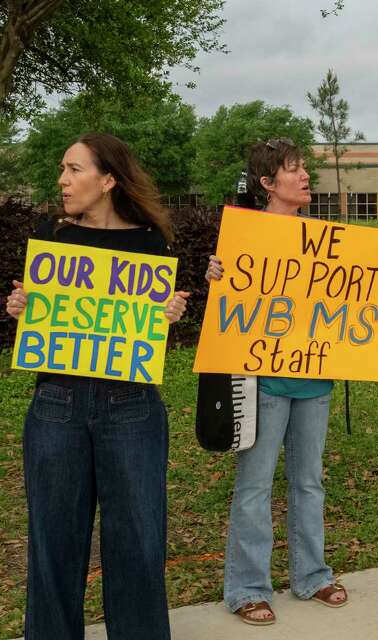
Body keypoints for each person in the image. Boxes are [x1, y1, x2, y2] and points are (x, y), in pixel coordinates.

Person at [206, 139, 378, 624]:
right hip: (264, 383)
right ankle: (247, 587)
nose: (305, 177)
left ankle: (312, 576)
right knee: (254, 486)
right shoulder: (246, 238)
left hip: (315, 381)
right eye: (294, 170)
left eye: (304, 169)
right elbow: (229, 300)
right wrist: (217, 274)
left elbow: (354, 295)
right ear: (267, 183)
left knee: (309, 482)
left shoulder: (327, 240)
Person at [5, 133, 189, 639]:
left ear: (107, 180)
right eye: (62, 170)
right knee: (54, 544)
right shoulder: (53, 238)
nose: (62, 180)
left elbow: (145, 326)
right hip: (55, 404)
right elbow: (41, 316)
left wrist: (167, 314)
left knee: (138, 542)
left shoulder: (151, 243)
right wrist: (20, 310)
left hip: (130, 406)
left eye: (74, 170)